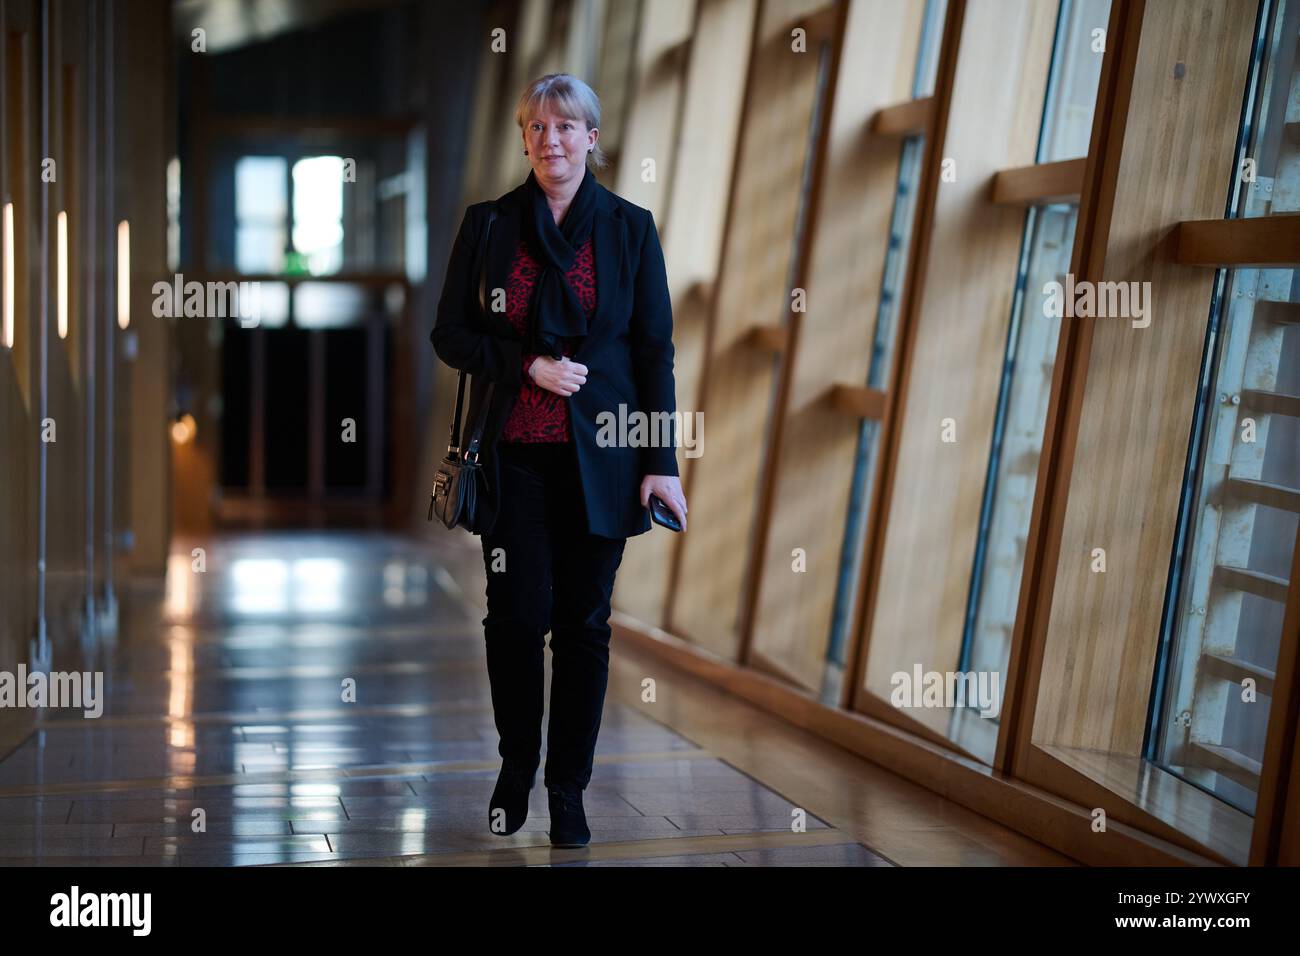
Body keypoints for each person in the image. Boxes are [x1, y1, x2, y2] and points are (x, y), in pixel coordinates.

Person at [431, 73, 688, 848]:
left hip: (605, 461)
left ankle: (567, 788)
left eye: (566, 127)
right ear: (523, 139)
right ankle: (517, 764)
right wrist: (525, 366)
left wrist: (661, 461)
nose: (551, 140)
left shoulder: (631, 230)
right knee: (515, 618)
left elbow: (654, 353)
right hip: (514, 457)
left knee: (583, 625)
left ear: (592, 138)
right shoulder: (488, 225)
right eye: (537, 127)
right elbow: (450, 334)